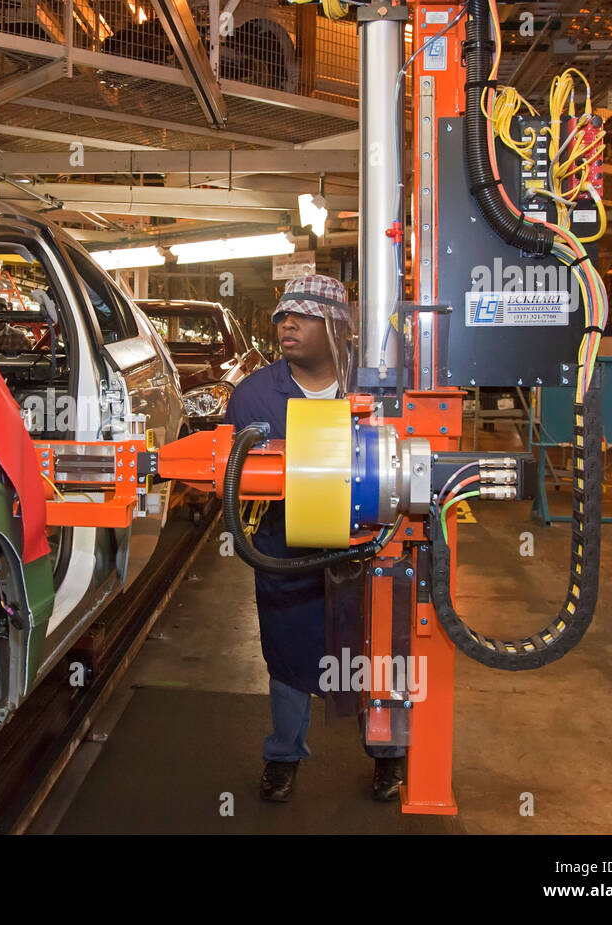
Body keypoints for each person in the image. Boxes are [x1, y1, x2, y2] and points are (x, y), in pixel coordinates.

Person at [223, 273, 406, 804]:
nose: (287, 324)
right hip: (286, 555)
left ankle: (389, 755)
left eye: (302, 315)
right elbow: (237, 487)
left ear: (340, 327)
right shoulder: (255, 396)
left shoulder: (377, 391)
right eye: (283, 315)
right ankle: (283, 756)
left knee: (378, 656)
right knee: (288, 660)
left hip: (370, 549)